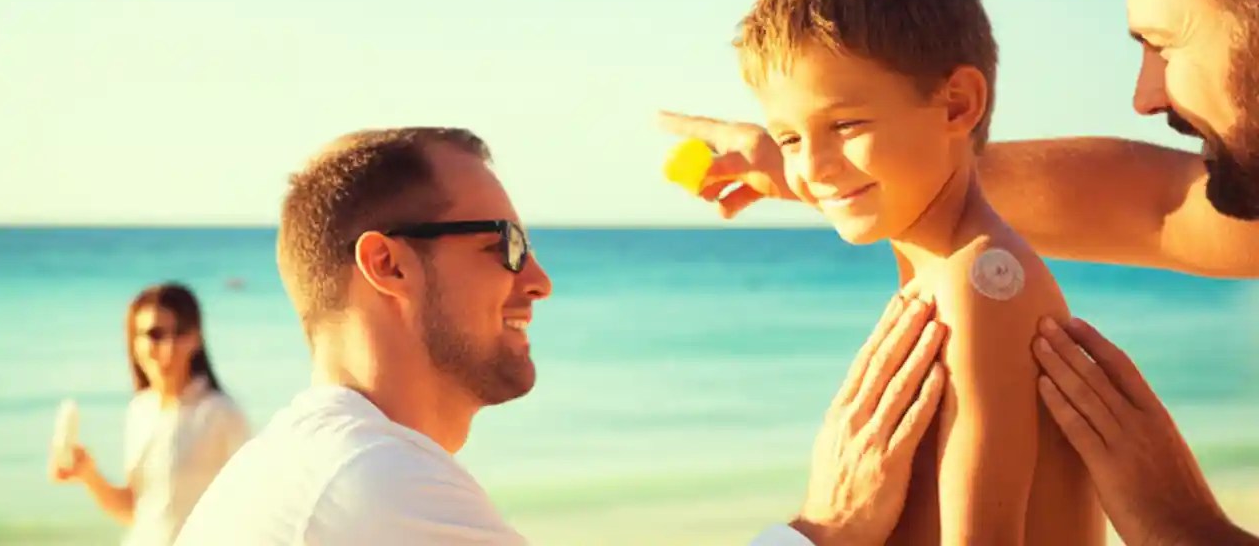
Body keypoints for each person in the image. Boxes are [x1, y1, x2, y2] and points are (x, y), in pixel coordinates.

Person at [658, 0, 1259, 543]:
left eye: (1163, 44)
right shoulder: (942, 265)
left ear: (956, 105)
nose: (1144, 95)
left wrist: (1183, 525)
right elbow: (1162, 207)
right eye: (792, 135)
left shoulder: (980, 283)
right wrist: (818, 166)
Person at [174, 127, 948, 546]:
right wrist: (827, 527)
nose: (538, 279)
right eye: (504, 245)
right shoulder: (364, 479)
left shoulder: (316, 463)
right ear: (387, 265)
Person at [52, 283, 250, 546]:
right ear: (133, 341)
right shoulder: (140, 410)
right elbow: (138, 511)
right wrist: (88, 474)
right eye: (155, 334)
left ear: (197, 339)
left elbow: (252, 510)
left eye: (180, 332)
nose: (168, 347)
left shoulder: (221, 414)